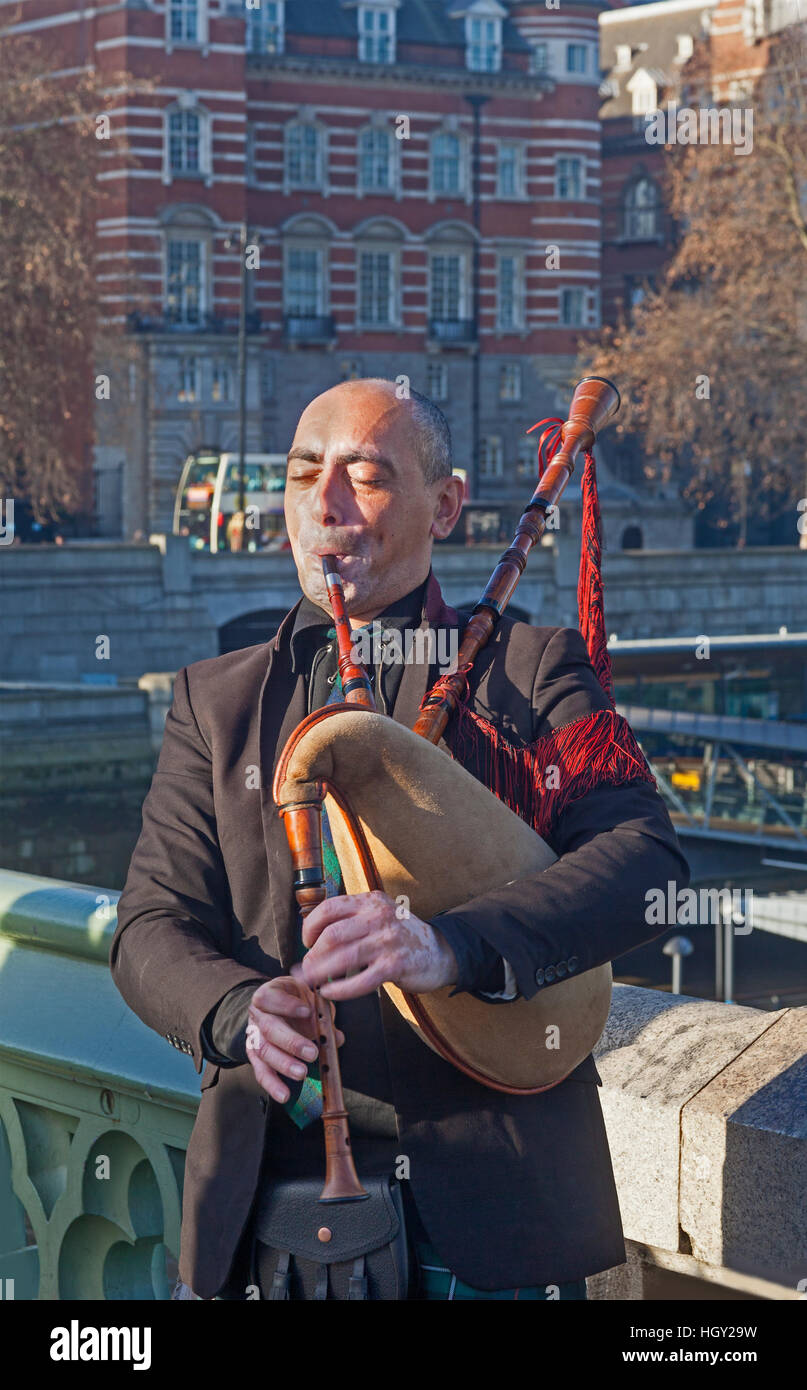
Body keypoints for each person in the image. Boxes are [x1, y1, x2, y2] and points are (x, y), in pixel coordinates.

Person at [111, 377, 690, 1301]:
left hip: (495, 1218)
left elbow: (645, 867)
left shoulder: (530, 673)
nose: (326, 502)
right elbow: (149, 924)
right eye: (305, 472)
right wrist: (235, 1012)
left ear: (447, 506)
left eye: (367, 475)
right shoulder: (212, 703)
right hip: (263, 1211)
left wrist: (449, 945)